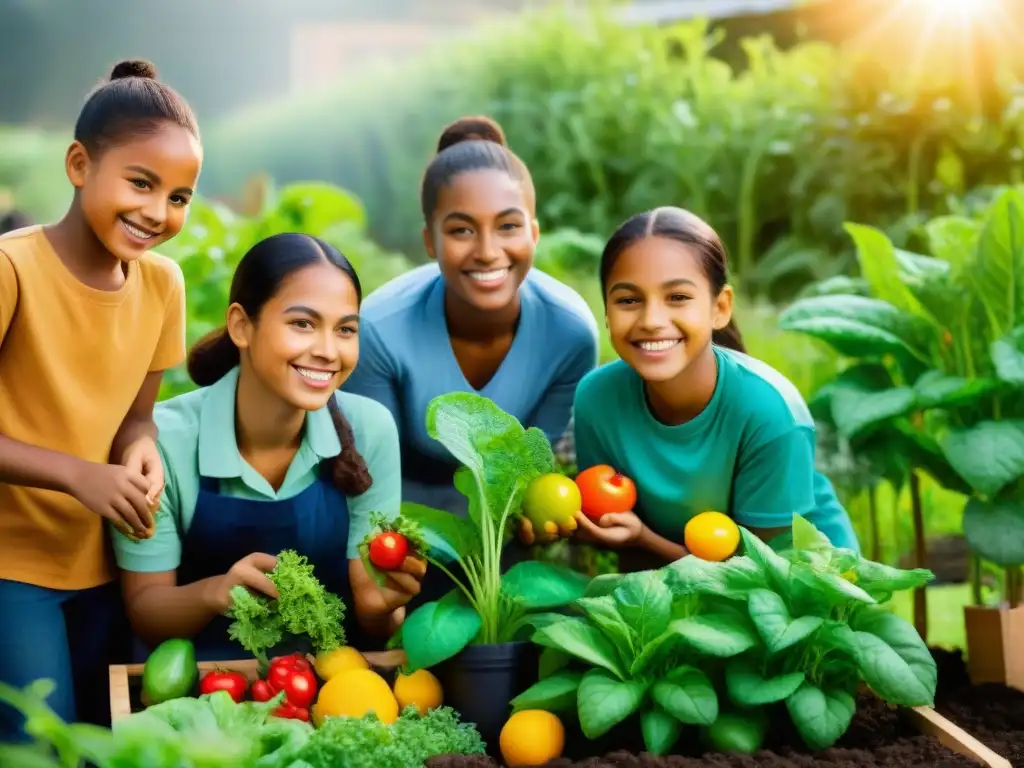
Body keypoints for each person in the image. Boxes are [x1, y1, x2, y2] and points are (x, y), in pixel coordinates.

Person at [0, 59, 201, 737]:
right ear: (80, 164)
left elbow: (136, 417)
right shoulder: (13, 270)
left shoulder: (162, 286)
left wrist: (140, 451)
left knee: (104, 742)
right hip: (12, 565)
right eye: (141, 183)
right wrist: (77, 474)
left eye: (179, 196)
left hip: (105, 566)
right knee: (38, 742)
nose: (158, 212)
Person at [112, 233, 425, 661]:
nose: (328, 351)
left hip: (334, 686)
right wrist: (215, 592)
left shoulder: (370, 430)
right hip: (201, 687)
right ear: (242, 325)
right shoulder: (162, 442)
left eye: (346, 329)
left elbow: (374, 627)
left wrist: (380, 610)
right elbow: (145, 610)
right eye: (302, 324)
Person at [523, 206, 859, 568]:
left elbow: (761, 574)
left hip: (809, 579)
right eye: (628, 300)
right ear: (607, 312)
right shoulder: (596, 398)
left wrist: (643, 538)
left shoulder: (772, 411)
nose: (652, 321)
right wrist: (556, 525)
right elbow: (619, 535)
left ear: (720, 307)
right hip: (678, 584)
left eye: (678, 298)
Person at [343, 115, 599, 522]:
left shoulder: (570, 332)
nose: (487, 251)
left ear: (533, 234)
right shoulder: (379, 329)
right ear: (430, 241)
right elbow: (372, 474)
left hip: (501, 517)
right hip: (401, 514)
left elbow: (530, 471)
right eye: (462, 230)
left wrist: (524, 520)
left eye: (508, 226)